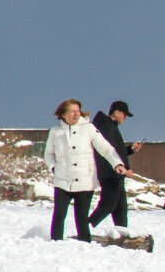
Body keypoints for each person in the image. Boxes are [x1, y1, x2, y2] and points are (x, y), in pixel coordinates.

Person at [44, 98, 130, 242]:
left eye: (78, 111)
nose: (76, 114)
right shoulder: (55, 132)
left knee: (82, 218)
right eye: (72, 111)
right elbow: (49, 154)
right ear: (63, 114)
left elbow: (106, 148)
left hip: (84, 181)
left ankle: (84, 246)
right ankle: (55, 244)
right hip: (62, 181)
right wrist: (53, 167)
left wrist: (118, 164)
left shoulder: (88, 128)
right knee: (59, 215)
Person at [88, 100, 142, 229]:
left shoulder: (110, 127)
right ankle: (86, 227)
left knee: (120, 208)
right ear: (116, 113)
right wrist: (125, 169)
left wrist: (130, 149)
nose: (125, 118)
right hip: (111, 174)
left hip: (115, 174)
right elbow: (109, 151)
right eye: (124, 115)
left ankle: (123, 234)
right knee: (108, 205)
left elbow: (117, 151)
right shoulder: (107, 127)